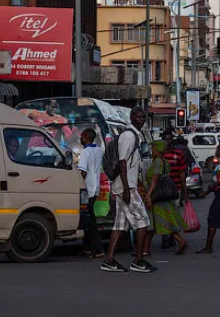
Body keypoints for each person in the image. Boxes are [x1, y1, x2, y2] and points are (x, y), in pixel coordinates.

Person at [102, 108, 154, 273]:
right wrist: (126, 188)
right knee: (143, 222)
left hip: (126, 186)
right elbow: (123, 163)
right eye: (137, 116)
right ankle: (138, 260)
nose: (140, 119)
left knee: (120, 226)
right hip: (126, 188)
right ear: (131, 118)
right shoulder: (128, 136)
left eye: (142, 117)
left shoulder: (135, 135)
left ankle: (109, 260)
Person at [147, 136, 191, 255]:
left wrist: (148, 195)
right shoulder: (164, 161)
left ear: (157, 149)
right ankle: (145, 249)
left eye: (153, 148)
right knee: (164, 221)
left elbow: (155, 179)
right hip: (164, 196)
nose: (151, 150)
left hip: (157, 196)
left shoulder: (157, 161)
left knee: (158, 222)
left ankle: (145, 249)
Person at [77, 127, 104, 259]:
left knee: (90, 221)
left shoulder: (85, 152)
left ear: (84, 137)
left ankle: (98, 249)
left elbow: (83, 172)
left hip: (87, 189)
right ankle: (87, 248)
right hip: (95, 188)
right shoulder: (99, 150)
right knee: (87, 219)